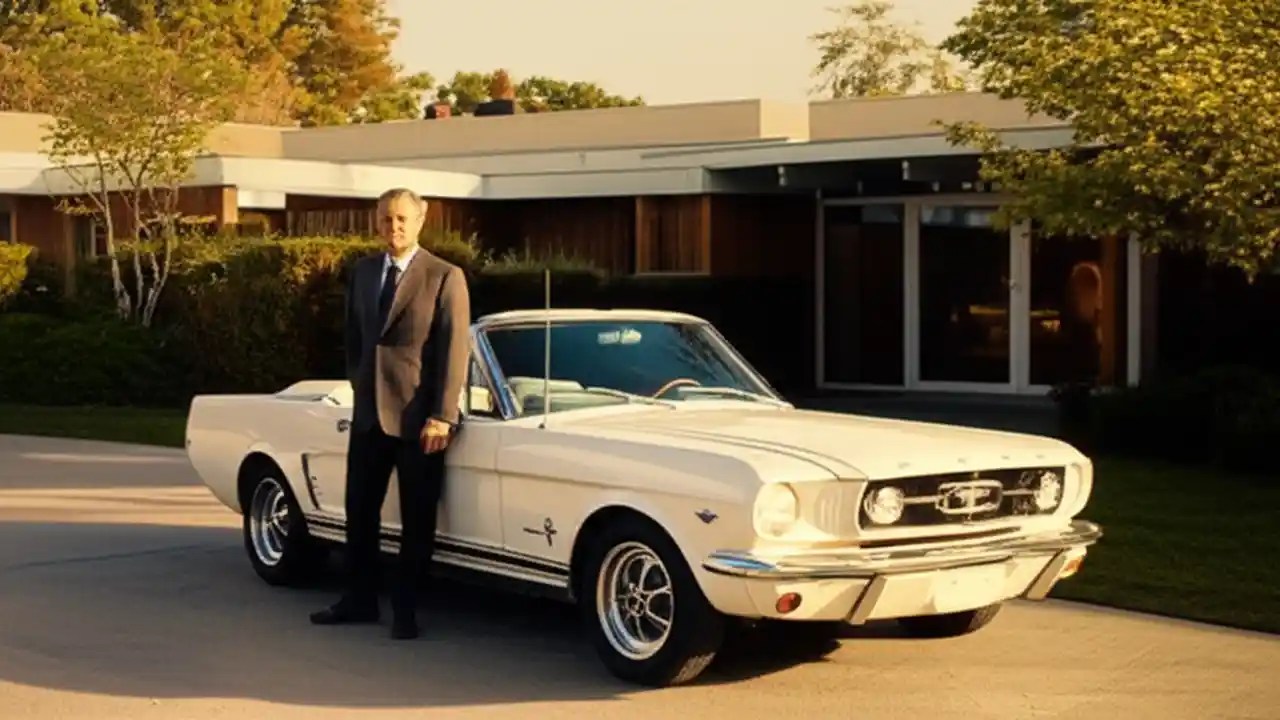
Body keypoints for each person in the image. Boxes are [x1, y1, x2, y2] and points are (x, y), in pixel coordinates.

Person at [310, 187, 471, 640]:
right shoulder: (363, 273)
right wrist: (361, 388)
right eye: (385, 219)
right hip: (368, 418)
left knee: (417, 520)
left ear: (420, 220)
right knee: (359, 513)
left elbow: (454, 349)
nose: (393, 227)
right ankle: (358, 600)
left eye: (402, 219)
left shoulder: (444, 276)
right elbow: (355, 340)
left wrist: (442, 415)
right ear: (376, 222)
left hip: (421, 421)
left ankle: (406, 610)